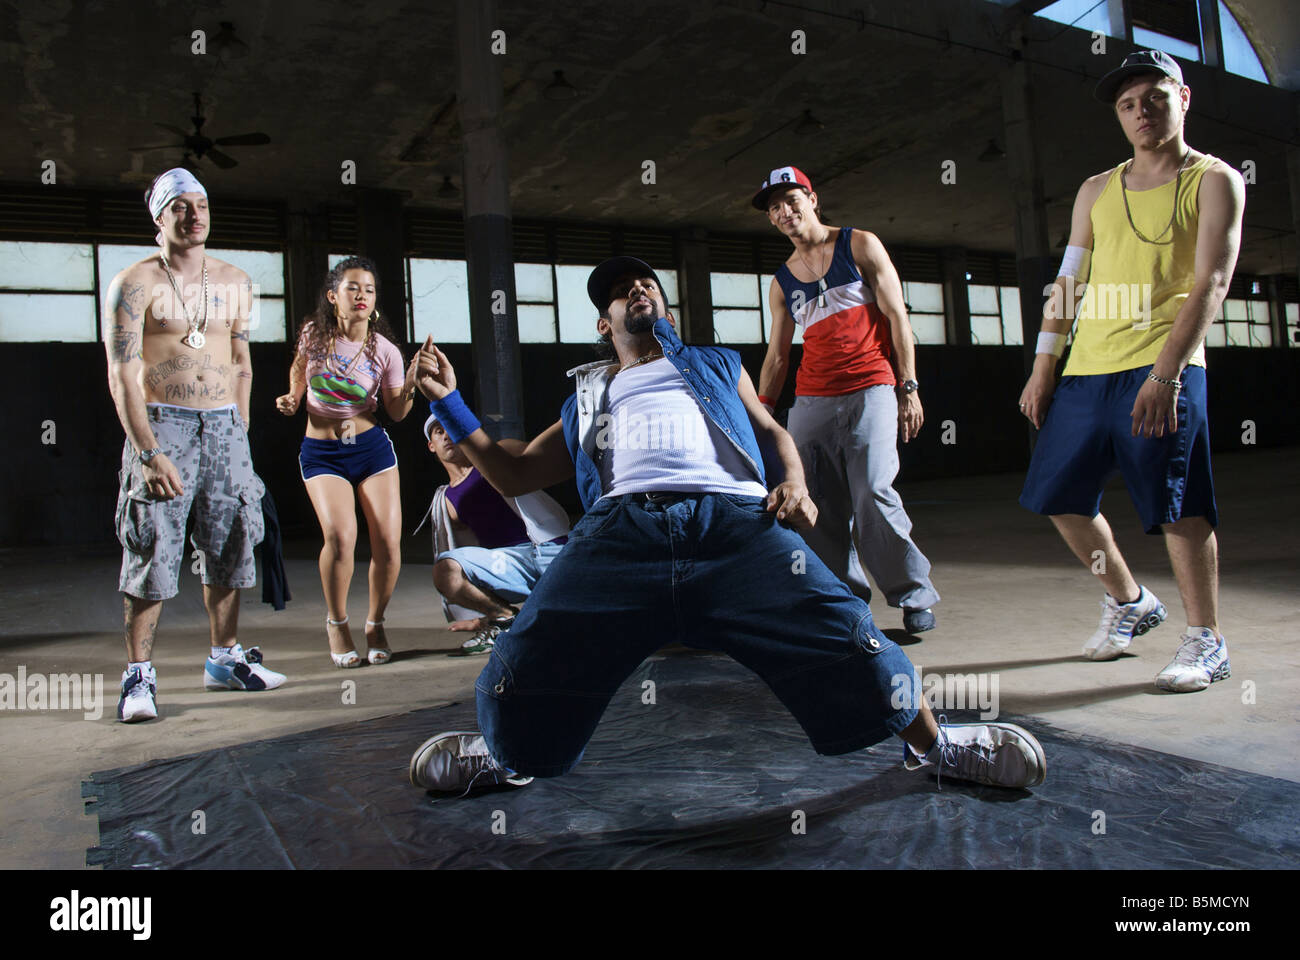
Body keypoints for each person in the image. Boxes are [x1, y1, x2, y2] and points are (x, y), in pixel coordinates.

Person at [406, 256, 1046, 794]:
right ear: (606, 324)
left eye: (648, 286)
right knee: (530, 645)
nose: (639, 291)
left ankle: (935, 749)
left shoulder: (716, 364)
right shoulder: (592, 394)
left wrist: (792, 480)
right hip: (619, 530)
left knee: (846, 630)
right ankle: (509, 754)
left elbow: (771, 432)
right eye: (623, 293)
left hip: (735, 521)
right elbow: (513, 472)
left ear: (668, 310)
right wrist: (448, 402)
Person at [1017, 51, 1245, 692]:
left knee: (1178, 506)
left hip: (1163, 364)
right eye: (1127, 104)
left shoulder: (1215, 179)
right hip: (1087, 368)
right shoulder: (1096, 189)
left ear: (1183, 99)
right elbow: (1067, 282)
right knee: (1059, 497)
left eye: (1154, 97)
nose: (1141, 111)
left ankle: (1207, 641)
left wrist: (1167, 374)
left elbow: (1213, 281)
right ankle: (1130, 601)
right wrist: (1043, 366)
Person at [105, 167, 285, 723]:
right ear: (159, 217)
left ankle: (225, 660)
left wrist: (241, 426)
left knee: (232, 540)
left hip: (226, 427)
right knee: (152, 546)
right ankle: (139, 677)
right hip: (165, 427)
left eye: (201, 203)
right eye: (180, 206)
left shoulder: (236, 279)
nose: (194, 214)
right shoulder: (134, 283)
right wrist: (148, 450)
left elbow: (241, 359)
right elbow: (121, 372)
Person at [753, 166, 940, 635]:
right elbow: (777, 356)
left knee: (874, 493)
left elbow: (898, 317)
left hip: (872, 386)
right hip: (812, 399)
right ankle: (844, 601)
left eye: (791, 199)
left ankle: (913, 595)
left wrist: (909, 386)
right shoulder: (781, 282)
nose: (784, 211)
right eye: (775, 207)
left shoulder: (860, 244)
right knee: (814, 505)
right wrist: (759, 412)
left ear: (812, 199)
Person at [276, 257, 420, 667]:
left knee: (389, 547)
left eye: (369, 290)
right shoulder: (314, 335)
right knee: (341, 538)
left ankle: (375, 622)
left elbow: (396, 412)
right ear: (333, 296)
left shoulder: (386, 351)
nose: (362, 295)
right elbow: (300, 367)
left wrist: (410, 382)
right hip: (322, 451)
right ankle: (337, 622)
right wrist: (294, 395)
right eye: (353, 287)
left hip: (371, 449)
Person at [418, 414, 570, 656]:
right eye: (438, 432)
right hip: (509, 564)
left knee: (581, 635)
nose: (446, 435)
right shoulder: (446, 501)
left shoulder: (501, 452)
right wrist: (481, 614)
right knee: (445, 569)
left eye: (451, 427)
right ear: (431, 445)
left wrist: (568, 419)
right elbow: (466, 549)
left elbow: (548, 457)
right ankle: (504, 619)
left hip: (553, 551)